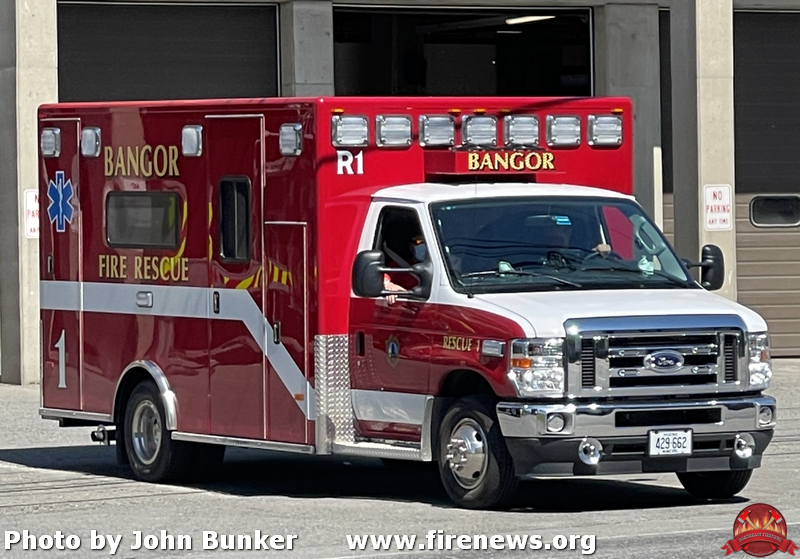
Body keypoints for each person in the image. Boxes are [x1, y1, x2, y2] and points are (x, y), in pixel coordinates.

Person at [384, 235, 426, 304]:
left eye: (426, 242)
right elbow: (380, 277)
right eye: (419, 241)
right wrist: (389, 286)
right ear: (411, 246)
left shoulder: (445, 267)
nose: (424, 245)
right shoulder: (399, 266)